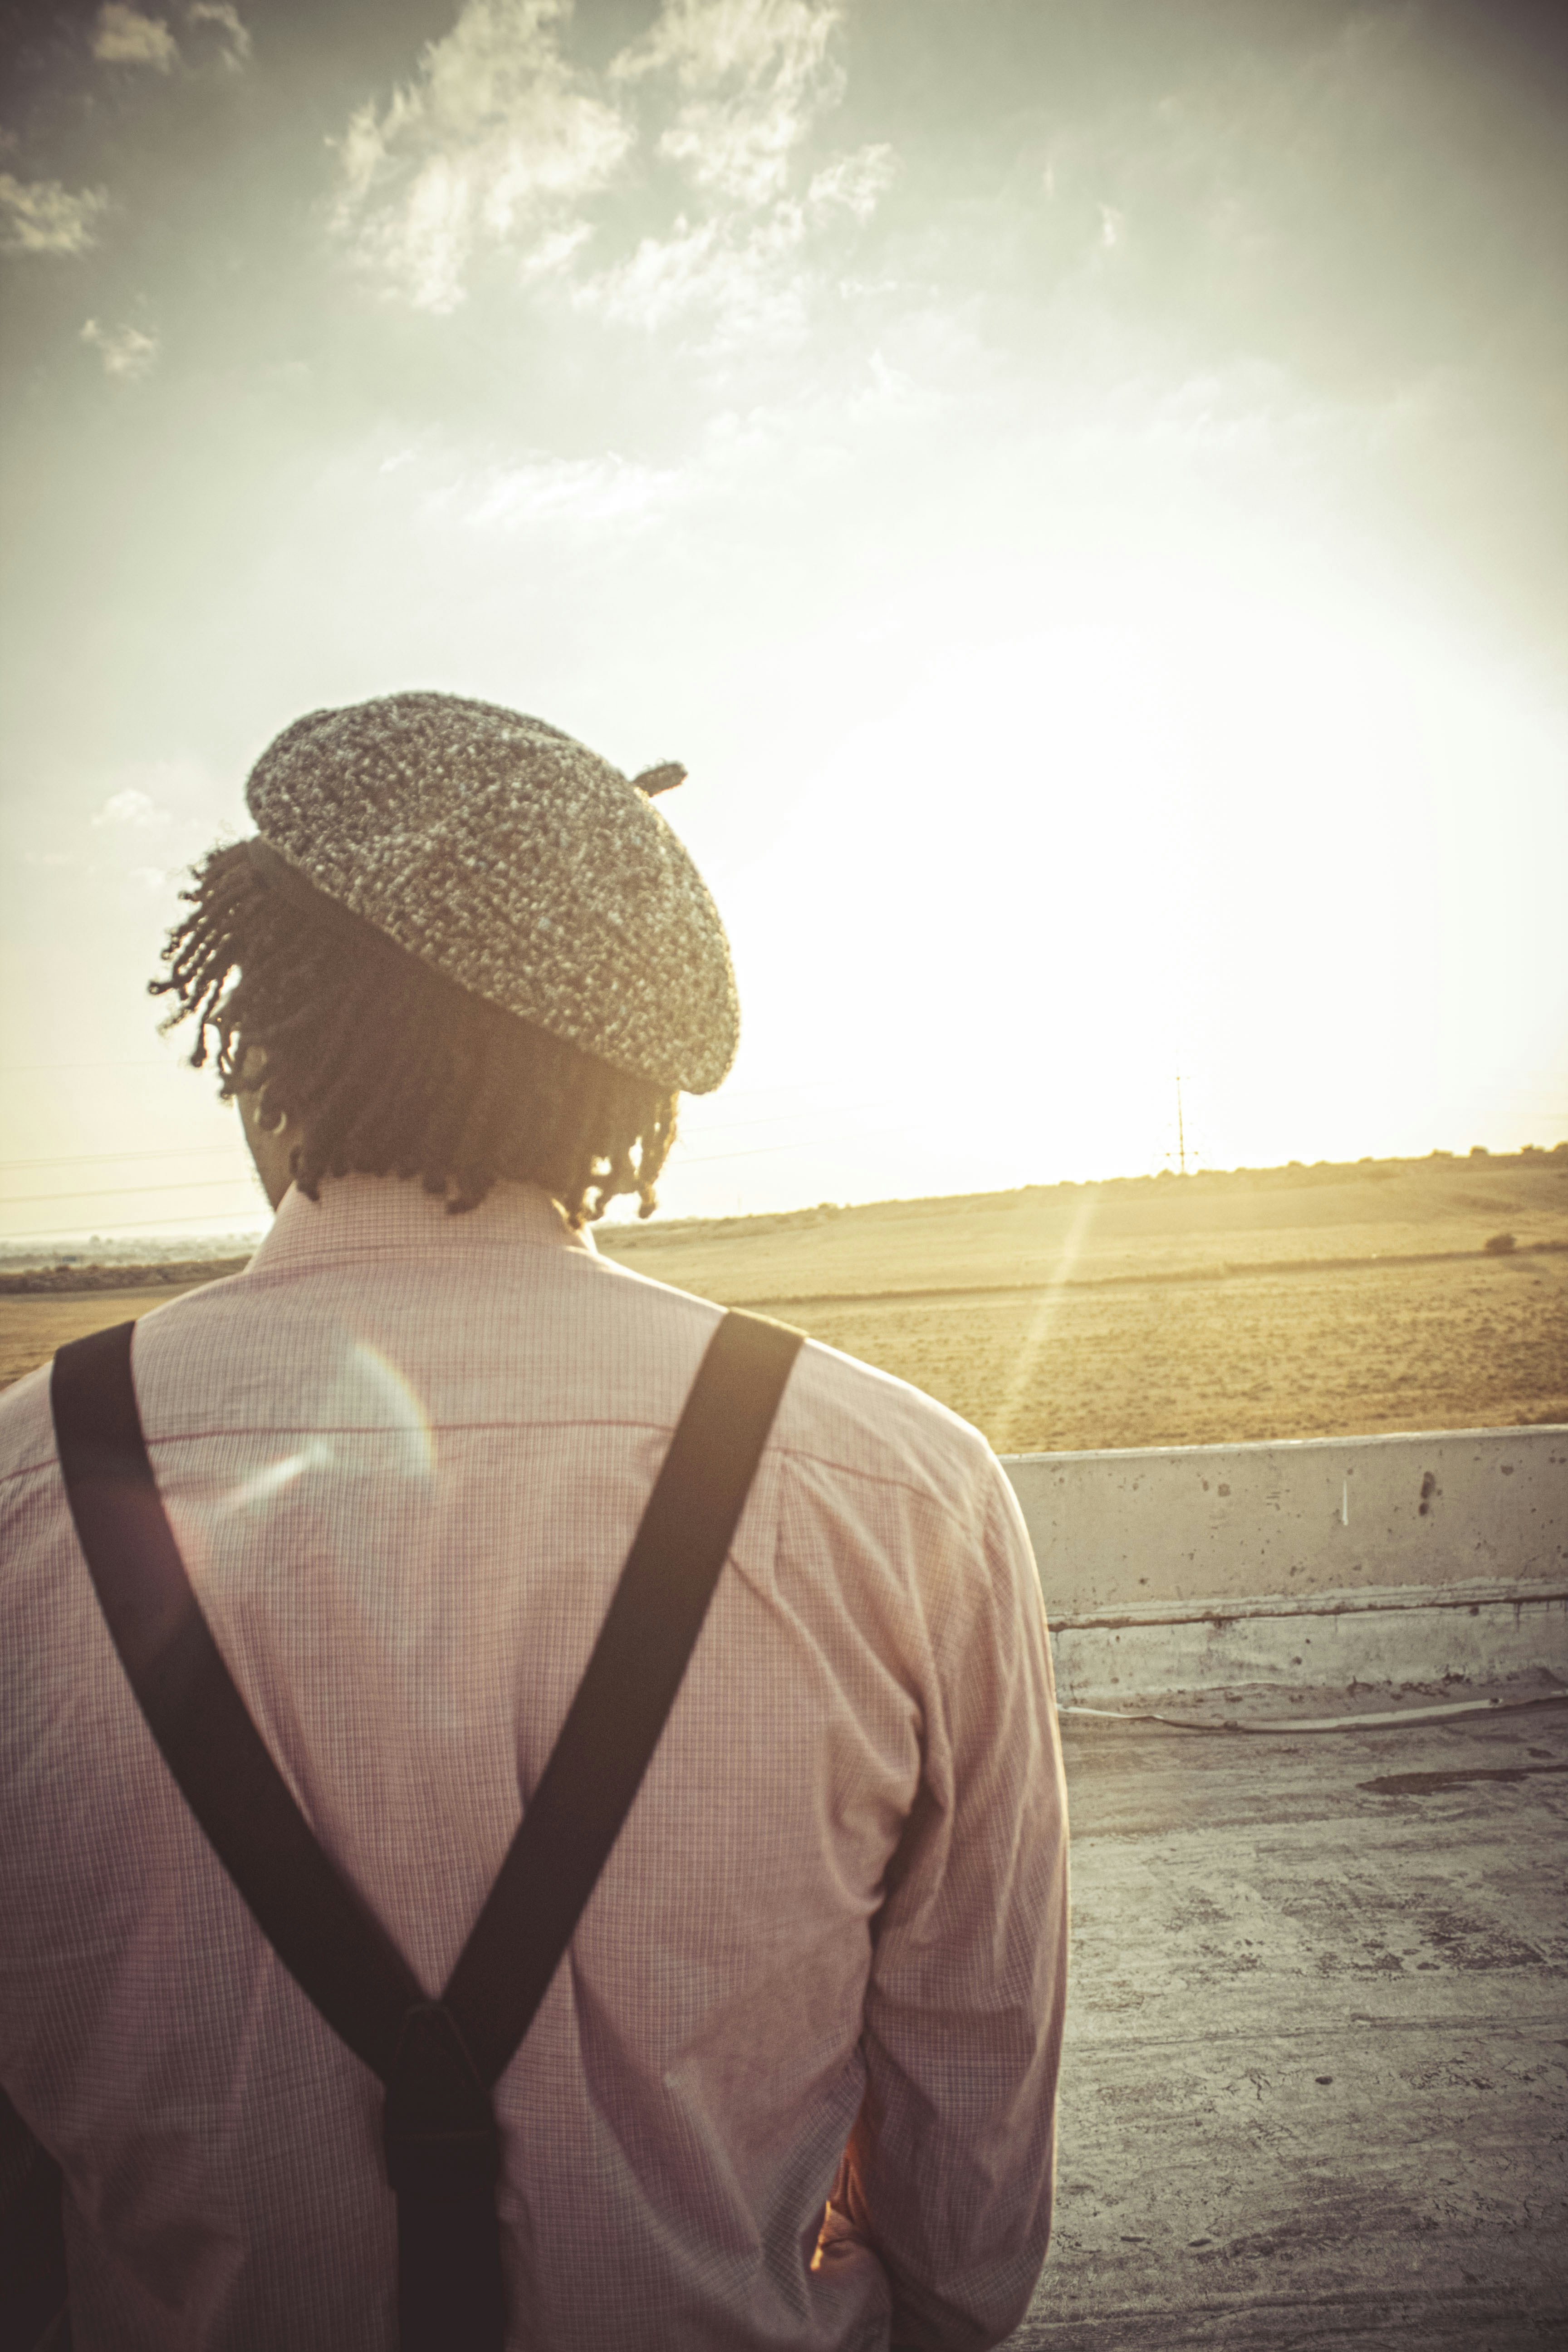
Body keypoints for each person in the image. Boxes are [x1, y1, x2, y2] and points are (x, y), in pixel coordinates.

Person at [0, 691, 1069, 2351]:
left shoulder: (21, 1498)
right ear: (622, 1089)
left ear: (256, 1038)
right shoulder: (905, 1494)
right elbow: (969, 2213)